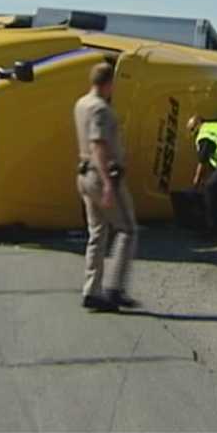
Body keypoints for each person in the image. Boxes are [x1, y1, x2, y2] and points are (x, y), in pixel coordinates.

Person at [73, 60, 138, 313]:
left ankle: (92, 289)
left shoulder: (81, 104)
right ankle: (115, 288)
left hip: (84, 174)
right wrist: (109, 184)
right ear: (110, 83)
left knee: (97, 232)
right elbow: (98, 145)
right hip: (102, 175)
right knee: (127, 230)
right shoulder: (101, 109)